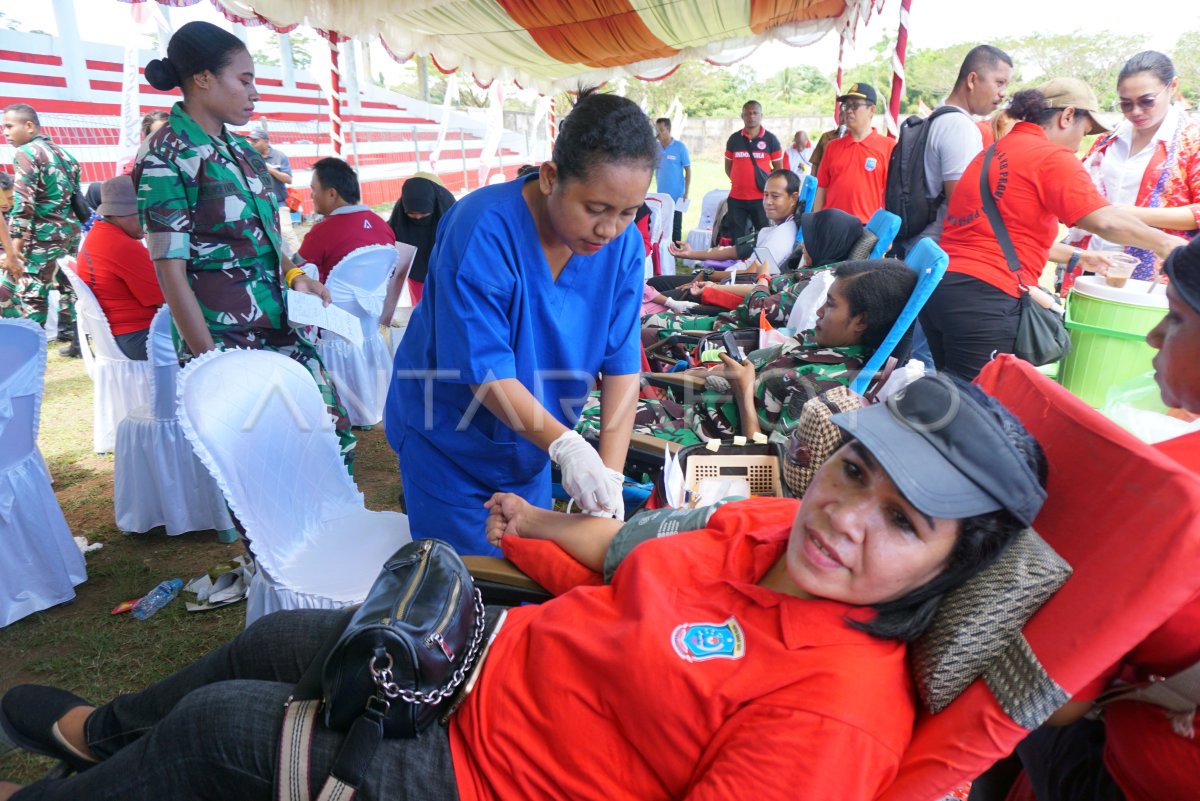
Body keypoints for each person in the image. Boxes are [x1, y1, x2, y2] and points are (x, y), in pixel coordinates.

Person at [0, 373, 1048, 801]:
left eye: (903, 523)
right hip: (479, 670)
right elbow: (640, 558)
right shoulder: (769, 521)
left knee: (231, 729)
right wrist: (541, 527)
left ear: (950, 566)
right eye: (855, 469)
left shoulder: (837, 713)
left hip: (484, 777)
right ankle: (108, 736)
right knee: (286, 644)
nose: (845, 516)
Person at [383, 89, 655, 556]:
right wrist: (567, 448)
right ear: (550, 177)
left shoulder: (623, 248)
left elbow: (622, 365)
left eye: (628, 213)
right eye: (595, 209)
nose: (609, 230)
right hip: (449, 440)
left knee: (534, 569)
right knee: (466, 585)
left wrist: (607, 474)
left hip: (532, 444)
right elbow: (482, 371)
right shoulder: (482, 228)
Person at [134, 20, 356, 470]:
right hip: (223, 336)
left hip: (277, 321)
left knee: (332, 437)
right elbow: (169, 270)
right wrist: (211, 364)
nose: (254, 93)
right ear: (203, 79)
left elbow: (266, 237)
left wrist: (296, 273)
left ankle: (332, 534)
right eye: (245, 79)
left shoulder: (239, 150)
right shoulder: (167, 154)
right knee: (264, 465)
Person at [920, 80, 1188, 381]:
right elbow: (1105, 221)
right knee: (975, 406)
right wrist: (1165, 243)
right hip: (986, 299)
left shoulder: (994, 153)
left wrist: (1080, 257)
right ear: (1067, 116)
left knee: (949, 397)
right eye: (1084, 132)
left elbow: (998, 236)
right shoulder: (1051, 157)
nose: (1078, 145)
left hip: (943, 291)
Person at [586, 258, 914, 447]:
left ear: (860, 321)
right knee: (578, 405)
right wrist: (721, 376)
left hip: (701, 443)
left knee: (568, 422)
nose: (817, 314)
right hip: (690, 411)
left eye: (829, 306)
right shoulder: (820, 344)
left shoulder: (828, 390)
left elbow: (767, 465)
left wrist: (743, 391)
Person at [1063, 51, 1200, 284]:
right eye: (1126, 104)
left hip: (1155, 276)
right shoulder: (1109, 138)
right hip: (1096, 261)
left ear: (1172, 86)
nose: (1135, 112)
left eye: (1146, 101)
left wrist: (1120, 214)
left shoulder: (1192, 142)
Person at [895, 45, 1014, 254]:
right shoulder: (960, 127)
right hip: (935, 252)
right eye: (999, 83)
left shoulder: (937, 117)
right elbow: (964, 205)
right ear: (972, 80)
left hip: (915, 245)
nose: (1003, 93)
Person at [1, 102, 82, 355]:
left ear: (29, 126)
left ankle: (30, 352)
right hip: (69, 232)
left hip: (42, 235)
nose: (5, 132)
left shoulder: (26, 152)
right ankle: (77, 341)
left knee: (32, 292)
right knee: (71, 288)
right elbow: (75, 198)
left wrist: (15, 247)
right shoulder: (66, 154)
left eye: (9, 126)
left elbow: (24, 202)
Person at [73, 176, 163, 361]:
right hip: (139, 336)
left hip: (117, 336)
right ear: (121, 214)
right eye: (142, 215)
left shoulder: (100, 234)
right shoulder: (121, 245)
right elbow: (165, 298)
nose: (147, 222)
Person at [661, 168, 799, 288]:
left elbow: (751, 275)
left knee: (657, 285)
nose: (768, 202)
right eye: (765, 195)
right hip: (725, 282)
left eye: (775, 196)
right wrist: (692, 254)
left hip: (727, 287)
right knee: (658, 284)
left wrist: (708, 275)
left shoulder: (783, 234)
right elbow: (733, 251)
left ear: (794, 198)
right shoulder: (770, 230)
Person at [297, 157, 395, 282]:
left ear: (332, 193)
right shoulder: (383, 226)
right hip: (376, 300)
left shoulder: (321, 232)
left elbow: (296, 274)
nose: (312, 195)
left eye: (313, 189)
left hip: (330, 301)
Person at [814, 83, 897, 223]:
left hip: (866, 228)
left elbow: (893, 195)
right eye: (846, 106)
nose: (848, 111)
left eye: (855, 105)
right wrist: (815, 224)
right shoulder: (832, 147)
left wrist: (888, 233)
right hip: (831, 224)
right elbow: (822, 187)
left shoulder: (889, 147)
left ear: (871, 110)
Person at [386, 175, 456, 305]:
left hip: (446, 272)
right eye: (411, 214)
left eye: (424, 214)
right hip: (416, 275)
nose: (417, 218)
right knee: (420, 307)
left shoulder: (448, 212)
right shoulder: (399, 215)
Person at [721, 100, 783, 241]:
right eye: (748, 113)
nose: (751, 116)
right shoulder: (734, 139)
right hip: (737, 198)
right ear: (742, 116)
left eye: (755, 113)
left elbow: (779, 169)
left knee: (763, 235)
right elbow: (728, 167)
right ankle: (739, 262)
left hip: (761, 199)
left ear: (761, 115)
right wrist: (739, 181)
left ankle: (760, 262)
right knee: (737, 237)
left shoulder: (771, 139)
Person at [244, 124, 299, 256]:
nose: (252, 144)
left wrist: (269, 169)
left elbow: (288, 179)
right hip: (259, 204)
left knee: (286, 232)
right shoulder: (249, 158)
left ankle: (301, 262)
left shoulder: (279, 156)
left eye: (255, 141)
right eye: (251, 141)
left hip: (279, 203)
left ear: (266, 141)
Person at [654, 117, 690, 243]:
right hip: (661, 194)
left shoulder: (680, 147)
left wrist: (686, 192)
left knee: (676, 224)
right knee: (662, 224)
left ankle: (676, 251)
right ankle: (664, 251)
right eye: (657, 129)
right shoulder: (656, 148)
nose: (658, 132)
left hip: (677, 194)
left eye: (661, 130)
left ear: (668, 129)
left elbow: (688, 169)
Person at [808, 107, 846, 177]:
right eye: (841, 115)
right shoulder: (826, 136)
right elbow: (815, 162)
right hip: (824, 180)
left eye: (846, 115)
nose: (843, 119)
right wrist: (813, 181)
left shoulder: (856, 139)